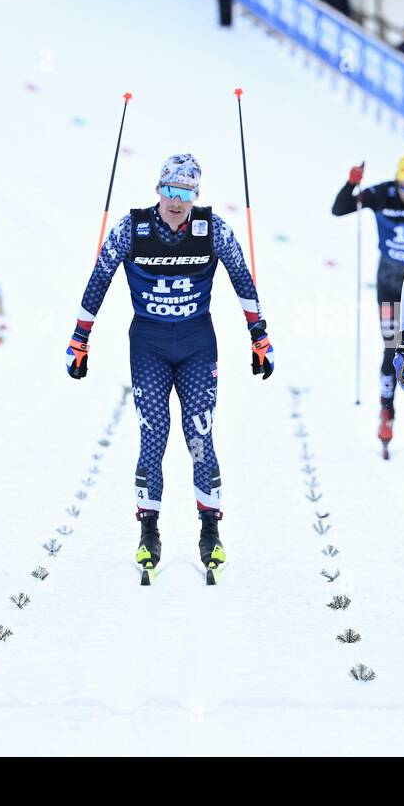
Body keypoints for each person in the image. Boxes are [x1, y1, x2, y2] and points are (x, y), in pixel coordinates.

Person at [65, 154, 272, 583]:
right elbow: (98, 280)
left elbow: (242, 278)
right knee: (154, 434)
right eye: (170, 191)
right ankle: (148, 532)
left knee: (199, 434)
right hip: (149, 346)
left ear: (196, 194)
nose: (177, 202)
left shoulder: (212, 229)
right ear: (158, 189)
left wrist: (259, 335)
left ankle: (210, 531)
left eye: (186, 193)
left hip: (197, 345)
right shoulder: (131, 228)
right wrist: (79, 339)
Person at [332, 154, 404, 456]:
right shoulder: (381, 193)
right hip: (391, 283)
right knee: (393, 348)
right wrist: (352, 183)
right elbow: (340, 208)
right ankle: (386, 412)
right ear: (396, 181)